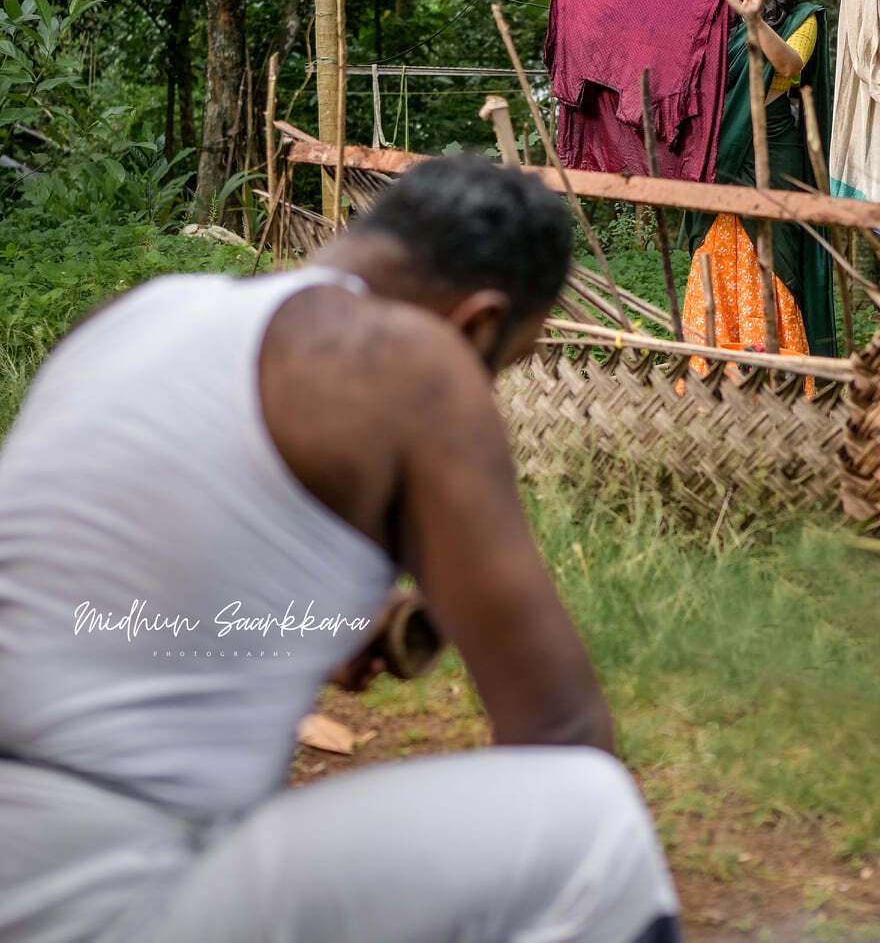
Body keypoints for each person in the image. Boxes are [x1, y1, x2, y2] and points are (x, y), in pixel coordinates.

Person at [0, 156, 680, 943]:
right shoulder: (405, 360)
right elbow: (561, 731)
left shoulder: (136, 316)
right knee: (592, 818)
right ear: (478, 324)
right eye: (500, 369)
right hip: (94, 894)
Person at [681, 0, 837, 370]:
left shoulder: (803, 16)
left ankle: (777, 376)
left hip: (773, 150)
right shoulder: (714, 13)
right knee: (713, 254)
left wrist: (755, 21)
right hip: (721, 154)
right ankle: (711, 370)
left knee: (772, 258)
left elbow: (789, 64)